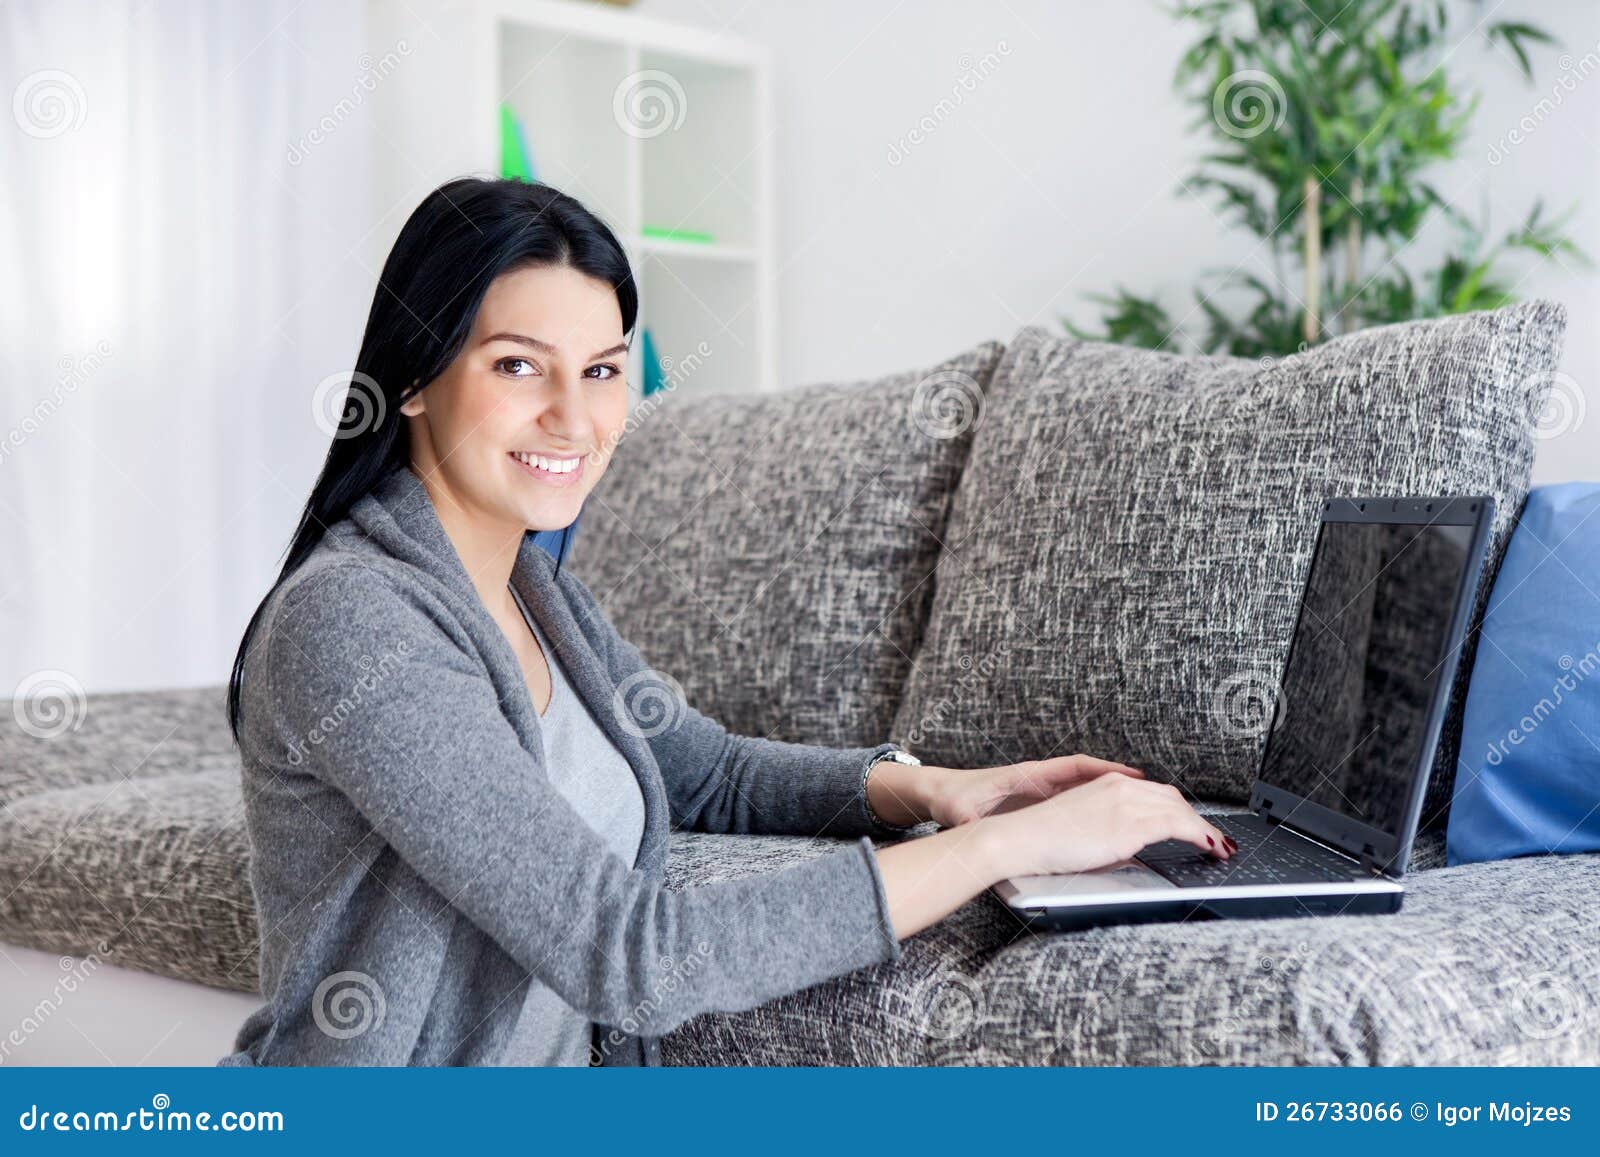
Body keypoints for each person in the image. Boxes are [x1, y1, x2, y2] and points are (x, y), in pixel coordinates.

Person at [219, 177, 1235, 1067]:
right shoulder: (352, 620)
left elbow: (699, 770)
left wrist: (938, 788)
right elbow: (633, 954)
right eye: (519, 366)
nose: (575, 417)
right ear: (413, 380)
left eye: (604, 369)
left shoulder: (532, 588)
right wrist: (1016, 847)